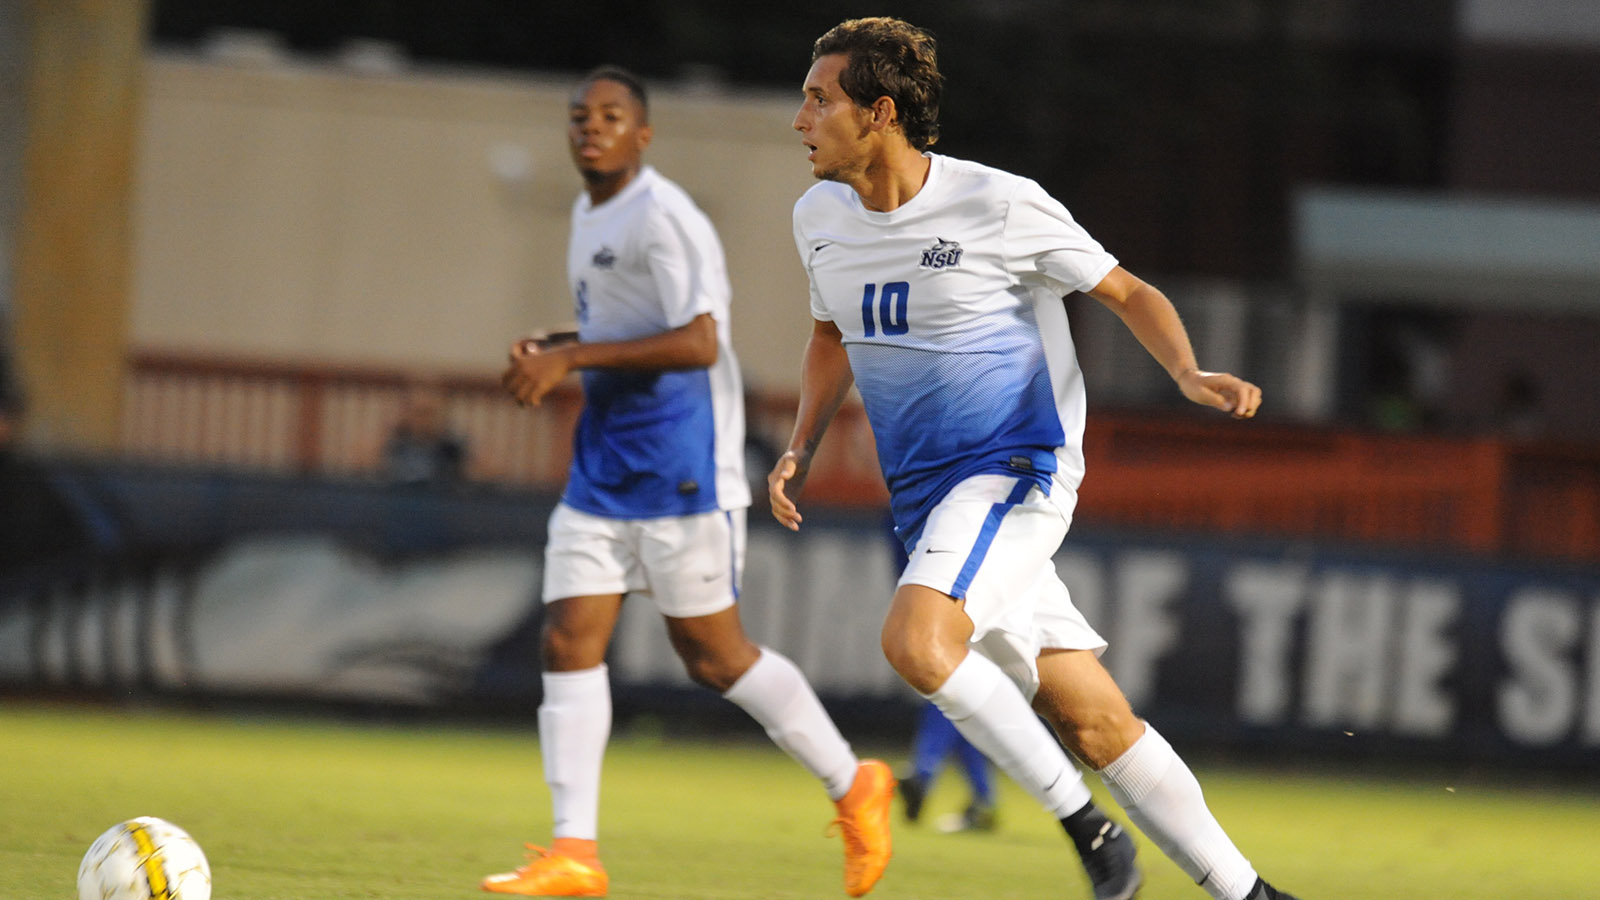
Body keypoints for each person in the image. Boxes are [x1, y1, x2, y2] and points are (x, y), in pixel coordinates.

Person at [770, 18, 1298, 900]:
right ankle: (1251, 895)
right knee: (1094, 722)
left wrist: (1187, 370)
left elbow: (1125, 289)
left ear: (881, 113)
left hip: (1016, 472)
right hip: (930, 503)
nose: (801, 120)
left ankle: (1090, 831)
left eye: (819, 99)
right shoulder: (819, 218)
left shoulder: (997, 204)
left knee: (915, 642)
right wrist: (799, 445)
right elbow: (831, 334)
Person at [485, 65, 893, 899]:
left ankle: (856, 786)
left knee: (716, 658)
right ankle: (576, 854)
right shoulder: (588, 209)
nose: (590, 128)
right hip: (604, 470)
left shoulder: (665, 217)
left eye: (609, 116)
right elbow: (629, 325)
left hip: (682, 470)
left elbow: (701, 341)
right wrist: (563, 338)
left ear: (643, 133)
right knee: (568, 642)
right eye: (578, 117)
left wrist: (573, 357)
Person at [887, 517, 998, 834]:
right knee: (954, 693)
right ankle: (983, 799)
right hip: (941, 580)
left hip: (967, 586)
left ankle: (924, 772)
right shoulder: (905, 506)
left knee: (949, 686)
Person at [379, 379, 470, 487]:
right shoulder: (397, 444)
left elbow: (462, 478)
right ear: (406, 413)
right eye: (418, 413)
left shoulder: (451, 448)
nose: (423, 420)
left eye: (429, 413)